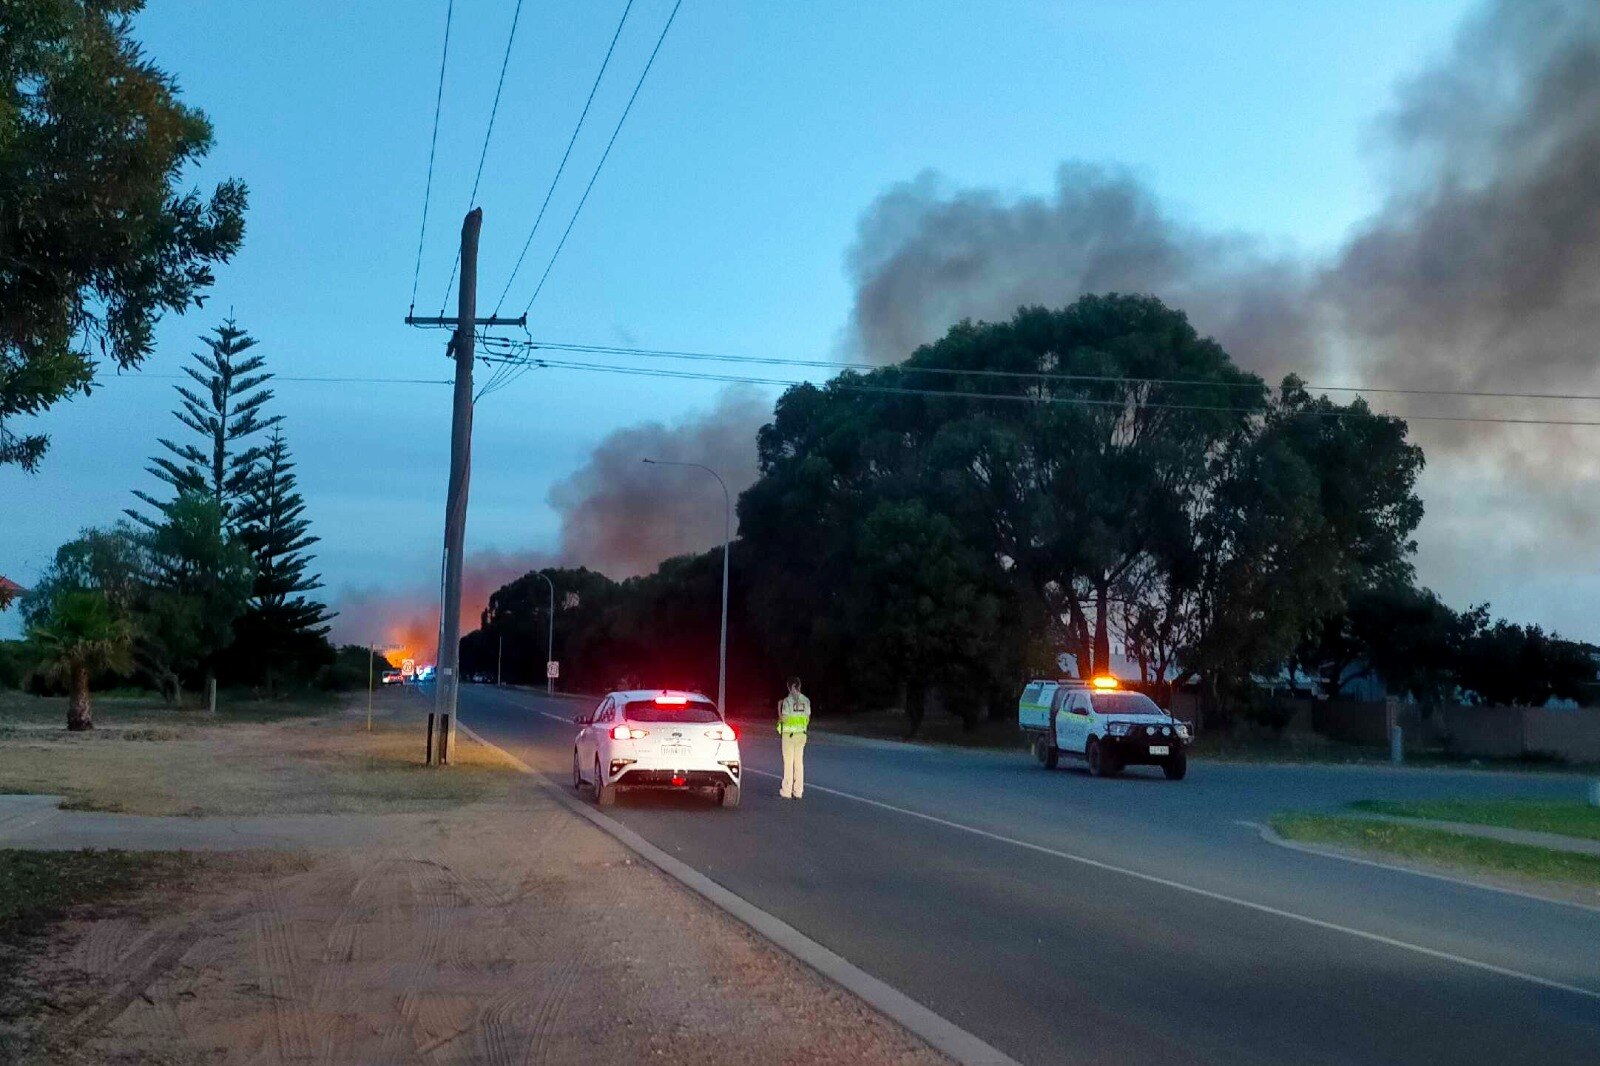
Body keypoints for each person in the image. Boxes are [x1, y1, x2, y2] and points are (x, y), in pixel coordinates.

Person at [777, 676, 811, 799]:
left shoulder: (788, 701)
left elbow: (784, 719)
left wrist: (779, 709)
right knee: (799, 763)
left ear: (792, 687)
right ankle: (798, 791)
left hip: (789, 735)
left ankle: (786, 791)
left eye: (788, 687)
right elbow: (807, 719)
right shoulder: (806, 701)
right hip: (801, 735)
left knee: (788, 764)